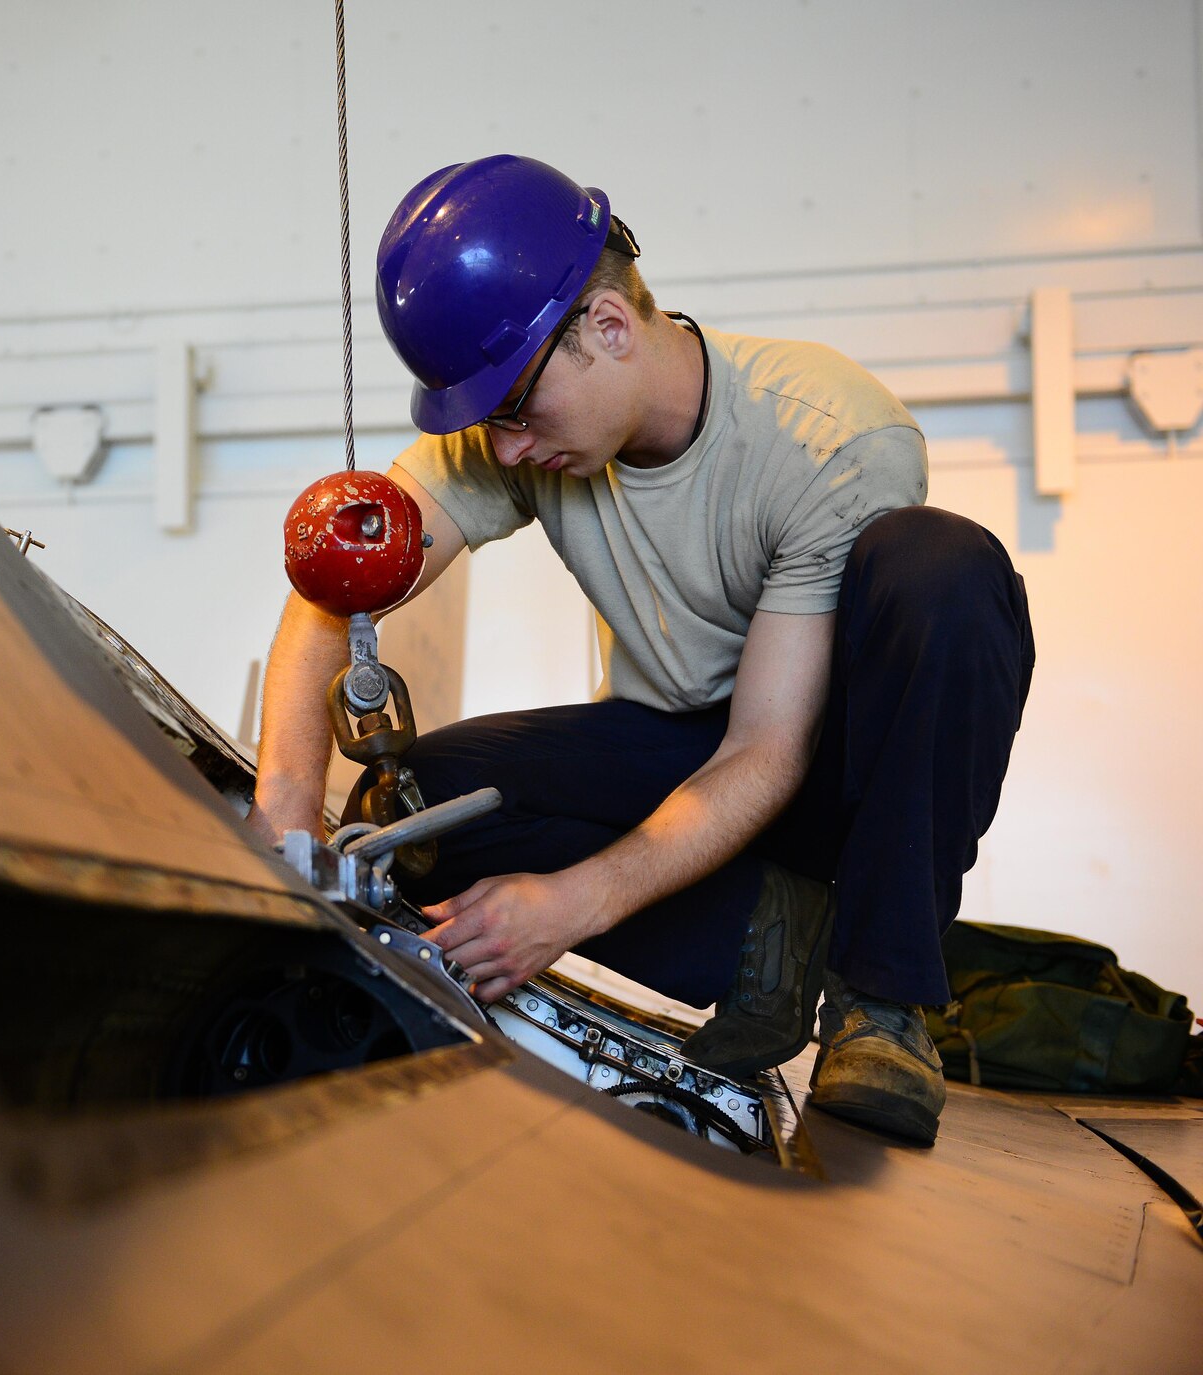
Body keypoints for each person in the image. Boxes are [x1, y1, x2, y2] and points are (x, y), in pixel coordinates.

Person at [247, 156, 1035, 1145]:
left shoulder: (826, 432)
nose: (502, 452)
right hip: (672, 744)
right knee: (413, 814)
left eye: (513, 415)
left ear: (607, 330)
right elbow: (340, 579)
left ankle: (881, 1001)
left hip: (825, 772)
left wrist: (573, 904)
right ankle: (764, 948)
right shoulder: (521, 421)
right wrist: (283, 826)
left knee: (942, 568)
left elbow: (764, 749)